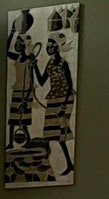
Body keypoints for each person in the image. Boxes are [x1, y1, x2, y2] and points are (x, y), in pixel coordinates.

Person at [35, 32, 75, 175]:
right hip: (53, 98)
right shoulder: (50, 63)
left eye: (51, 45)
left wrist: (64, 106)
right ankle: (45, 161)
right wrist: (34, 66)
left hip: (65, 98)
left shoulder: (63, 63)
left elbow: (70, 85)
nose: (48, 48)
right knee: (48, 132)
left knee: (60, 134)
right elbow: (41, 81)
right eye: (48, 45)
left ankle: (69, 164)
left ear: (57, 47)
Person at [6, 18, 35, 149]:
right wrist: (12, 32)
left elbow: (32, 80)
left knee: (24, 119)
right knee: (13, 118)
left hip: (26, 91)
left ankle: (27, 140)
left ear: (24, 45)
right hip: (17, 90)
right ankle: (11, 143)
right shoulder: (17, 58)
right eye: (16, 43)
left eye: (19, 43)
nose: (17, 45)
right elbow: (6, 50)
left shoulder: (30, 60)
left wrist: (27, 98)